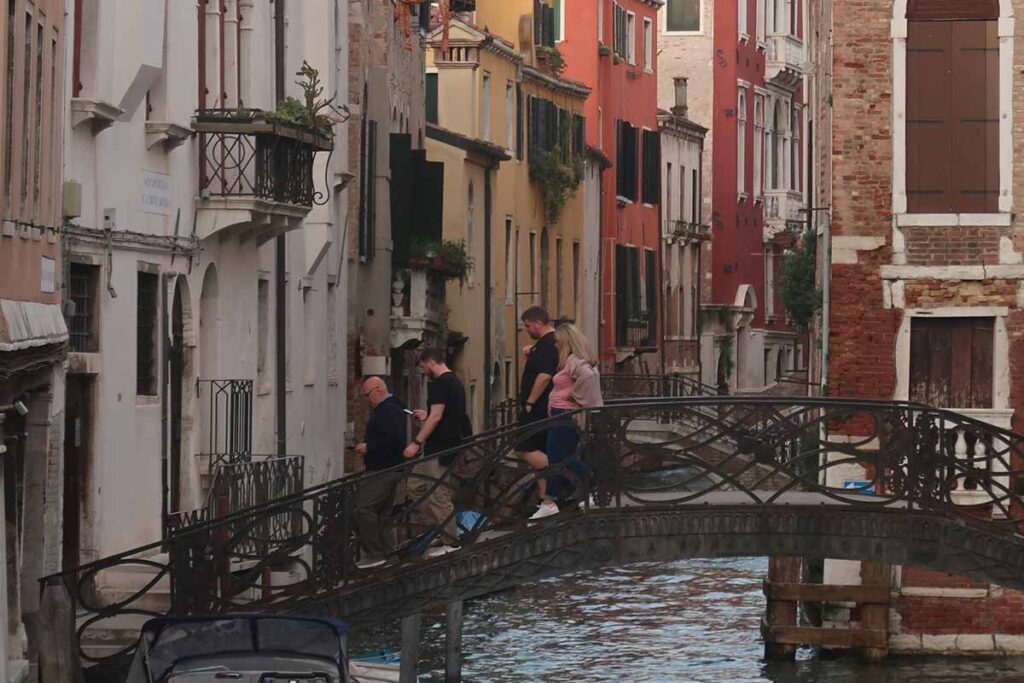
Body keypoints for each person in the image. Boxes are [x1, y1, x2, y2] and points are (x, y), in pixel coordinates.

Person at [402, 348, 468, 556]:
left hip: (440, 447)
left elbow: (437, 417)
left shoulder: (440, 384)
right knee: (414, 486)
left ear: (430, 362)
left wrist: (415, 442)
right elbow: (441, 414)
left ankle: (451, 541)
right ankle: (443, 528)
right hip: (442, 445)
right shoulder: (455, 382)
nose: (423, 371)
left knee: (437, 494)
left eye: (422, 366)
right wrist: (426, 415)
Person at [540, 322, 603, 515]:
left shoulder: (575, 360)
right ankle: (552, 501)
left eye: (557, 341)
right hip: (560, 415)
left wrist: (572, 395)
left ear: (566, 341)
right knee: (557, 458)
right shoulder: (569, 360)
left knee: (565, 459)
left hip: (565, 415)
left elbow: (589, 375)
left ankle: (591, 489)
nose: (555, 344)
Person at [353, 377, 408, 568]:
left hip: (384, 469)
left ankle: (374, 554)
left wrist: (370, 447)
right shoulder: (394, 406)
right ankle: (388, 555)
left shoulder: (387, 410)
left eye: (368, 395)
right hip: (390, 468)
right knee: (383, 513)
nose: (367, 399)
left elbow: (396, 440)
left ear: (378, 391)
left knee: (364, 507)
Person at [516, 306, 559, 520]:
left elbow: (544, 376)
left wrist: (530, 401)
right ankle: (545, 500)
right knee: (535, 448)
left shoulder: (548, 345)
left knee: (524, 448)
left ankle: (559, 474)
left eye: (527, 325)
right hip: (539, 406)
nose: (526, 330)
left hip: (537, 407)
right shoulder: (545, 345)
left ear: (538, 323)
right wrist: (531, 352)